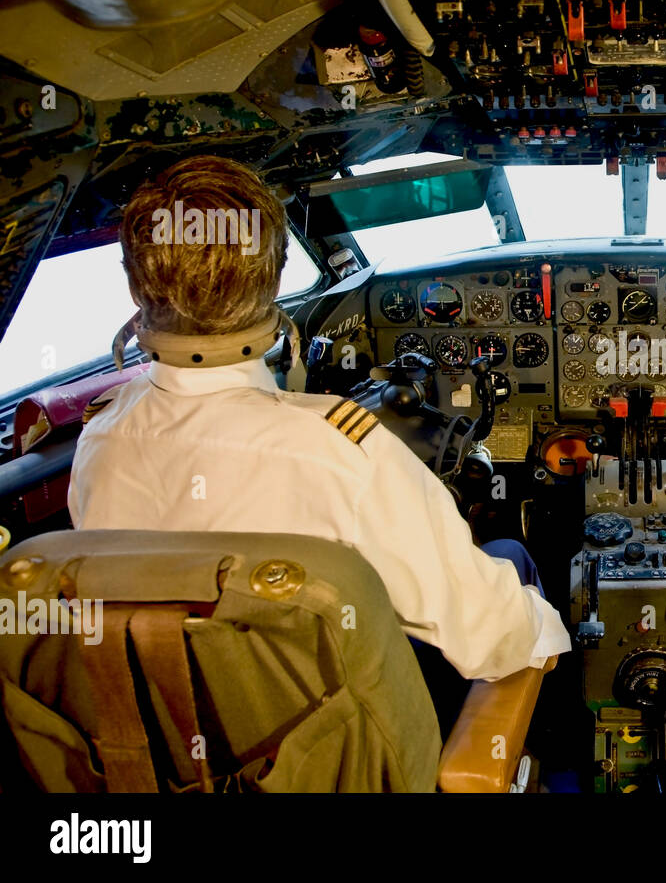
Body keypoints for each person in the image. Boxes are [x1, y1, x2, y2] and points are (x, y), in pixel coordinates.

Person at [69, 155, 570, 705]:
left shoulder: (100, 436)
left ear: (134, 283)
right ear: (278, 274)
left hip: (180, 719)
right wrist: (554, 632)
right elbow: (493, 638)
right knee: (511, 562)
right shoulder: (342, 455)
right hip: (340, 734)